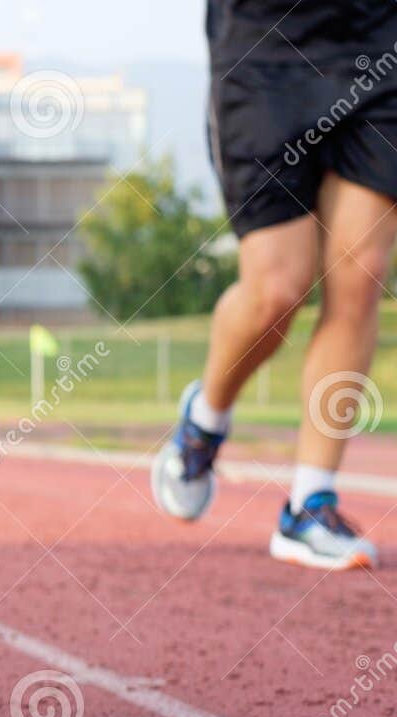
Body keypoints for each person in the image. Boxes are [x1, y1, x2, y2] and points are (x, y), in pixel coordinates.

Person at [152, 0, 397, 570]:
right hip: (267, 43)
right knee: (277, 290)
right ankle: (206, 419)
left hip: (379, 39)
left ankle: (310, 504)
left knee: (359, 275)